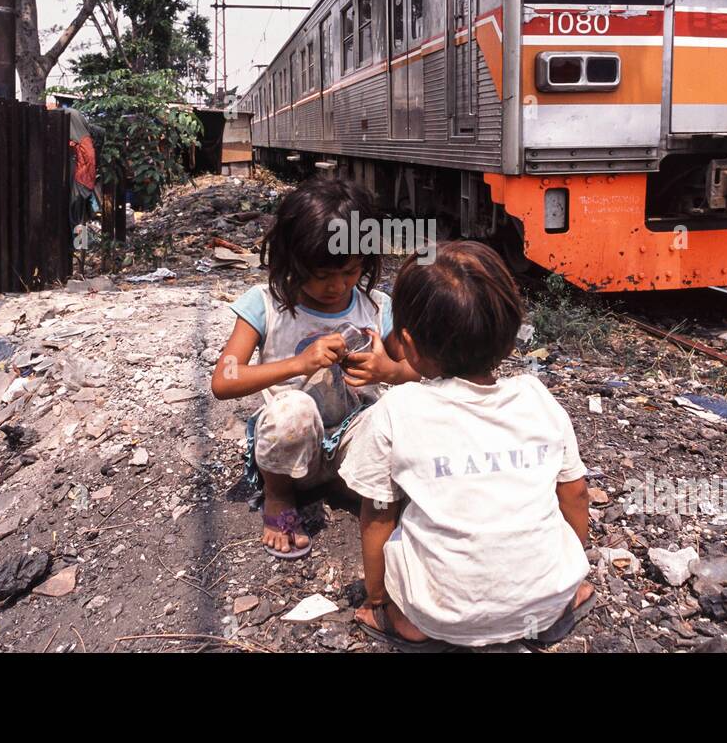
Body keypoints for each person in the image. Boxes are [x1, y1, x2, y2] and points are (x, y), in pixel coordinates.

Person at [339, 242, 595, 650]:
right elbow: (576, 493)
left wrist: (377, 599)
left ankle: (407, 623)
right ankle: (564, 597)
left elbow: (377, 517)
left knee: (405, 601)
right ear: (510, 338)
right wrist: (570, 570)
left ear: (409, 344)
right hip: (548, 599)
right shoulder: (536, 397)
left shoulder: (397, 408)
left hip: (440, 615)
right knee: (563, 579)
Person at [211, 177, 420, 558]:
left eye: (351, 272)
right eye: (322, 275)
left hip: (355, 447)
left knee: (395, 410)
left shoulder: (375, 306)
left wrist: (386, 371)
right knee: (292, 409)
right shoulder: (265, 304)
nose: (337, 286)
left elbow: (418, 370)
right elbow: (223, 381)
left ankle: (346, 485)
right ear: (291, 260)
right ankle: (279, 494)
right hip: (292, 451)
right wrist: (298, 364)